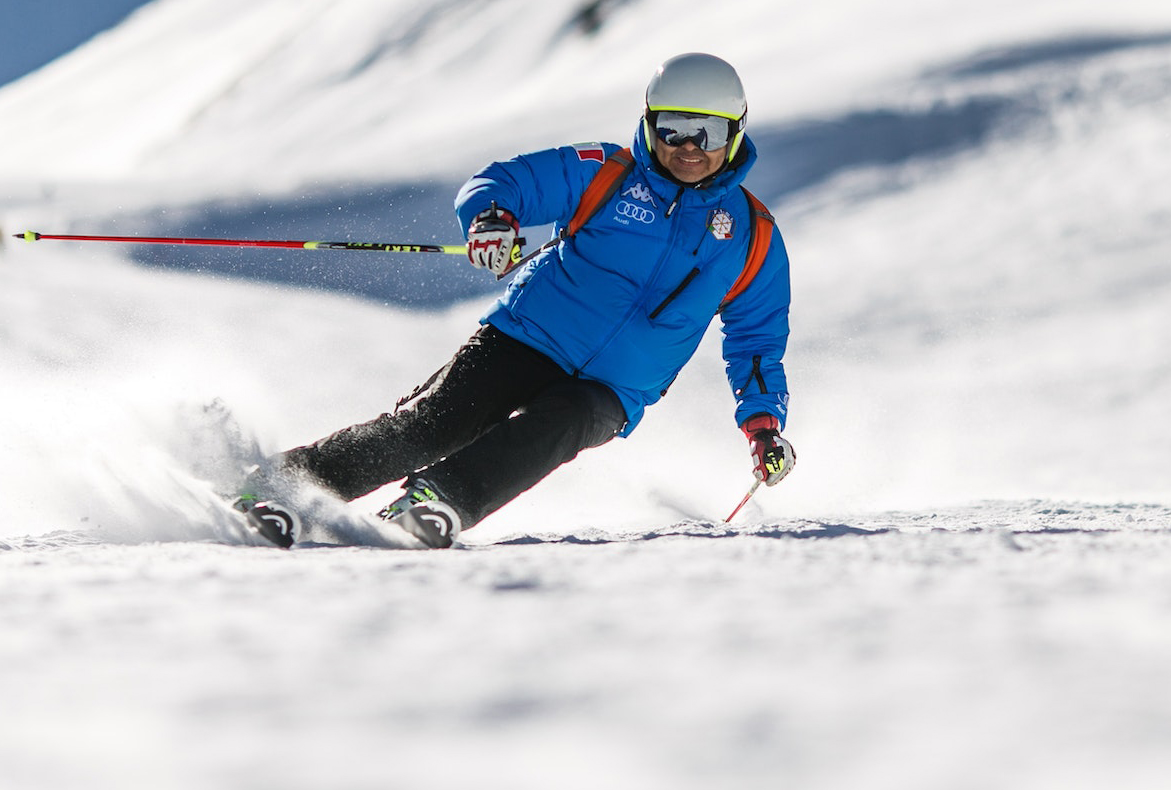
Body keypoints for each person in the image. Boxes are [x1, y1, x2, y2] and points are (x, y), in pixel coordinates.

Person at [237, 52, 795, 548]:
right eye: (673, 130)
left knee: (562, 424)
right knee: (433, 424)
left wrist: (764, 426)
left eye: (708, 133)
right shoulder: (606, 172)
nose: (689, 148)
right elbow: (505, 182)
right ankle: (279, 487)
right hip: (526, 337)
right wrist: (492, 220)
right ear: (649, 125)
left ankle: (436, 501)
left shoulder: (753, 236)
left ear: (735, 133)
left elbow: (756, 341)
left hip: (614, 388)